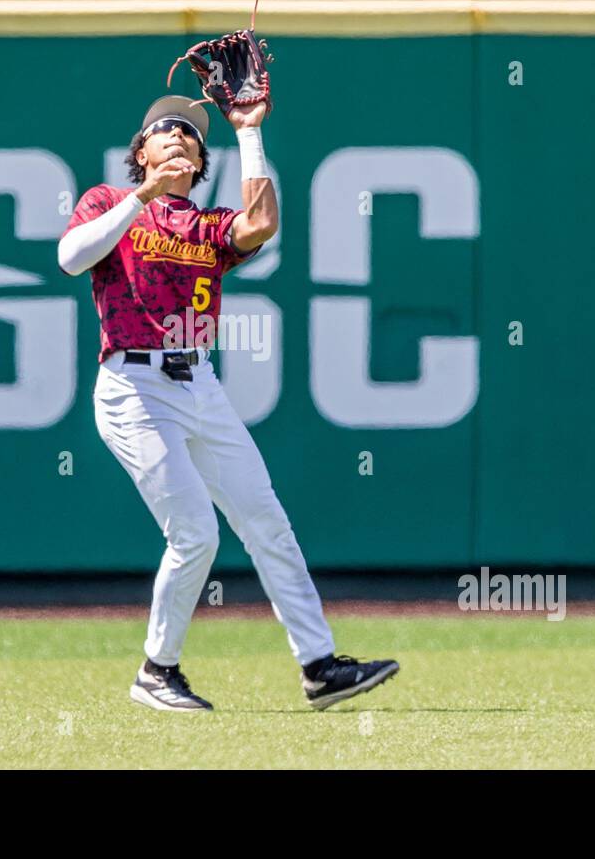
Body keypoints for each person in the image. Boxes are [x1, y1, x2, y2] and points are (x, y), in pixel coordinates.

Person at [57, 94, 399, 711]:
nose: (180, 138)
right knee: (195, 533)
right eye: (165, 131)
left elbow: (260, 224)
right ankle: (156, 671)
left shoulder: (206, 226)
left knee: (266, 520)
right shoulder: (109, 202)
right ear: (140, 152)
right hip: (133, 387)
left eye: (190, 134)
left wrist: (247, 132)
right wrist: (140, 197)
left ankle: (319, 668)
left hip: (199, 385)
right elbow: (71, 257)